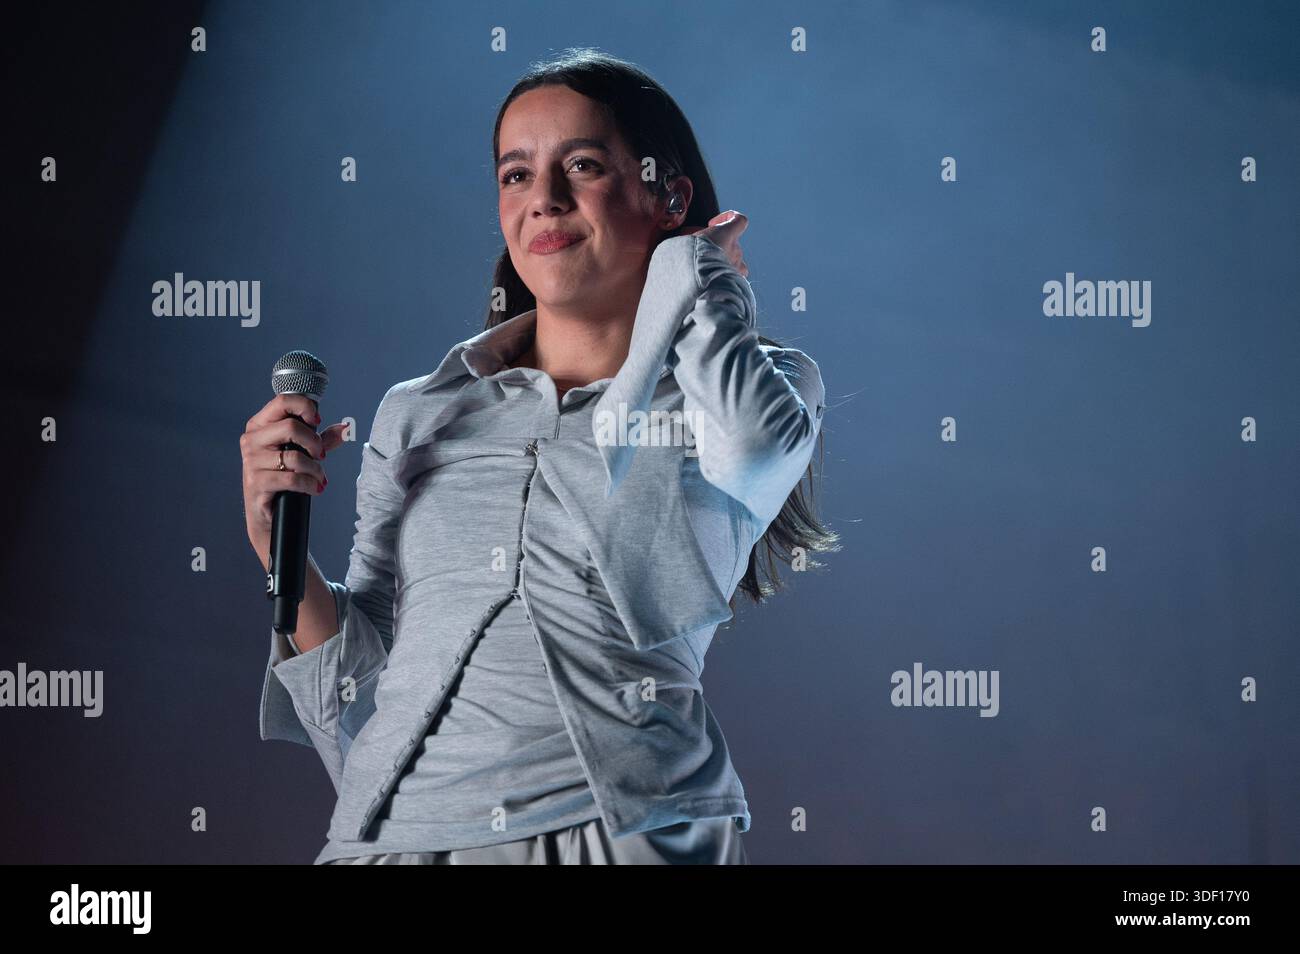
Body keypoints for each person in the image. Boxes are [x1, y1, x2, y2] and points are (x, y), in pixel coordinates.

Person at [240, 48, 836, 865]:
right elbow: (365, 691)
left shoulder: (755, 385)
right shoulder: (422, 410)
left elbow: (762, 445)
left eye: (582, 165)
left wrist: (701, 270)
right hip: (393, 840)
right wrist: (283, 553)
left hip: (621, 833)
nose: (544, 199)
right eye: (515, 174)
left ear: (669, 195)